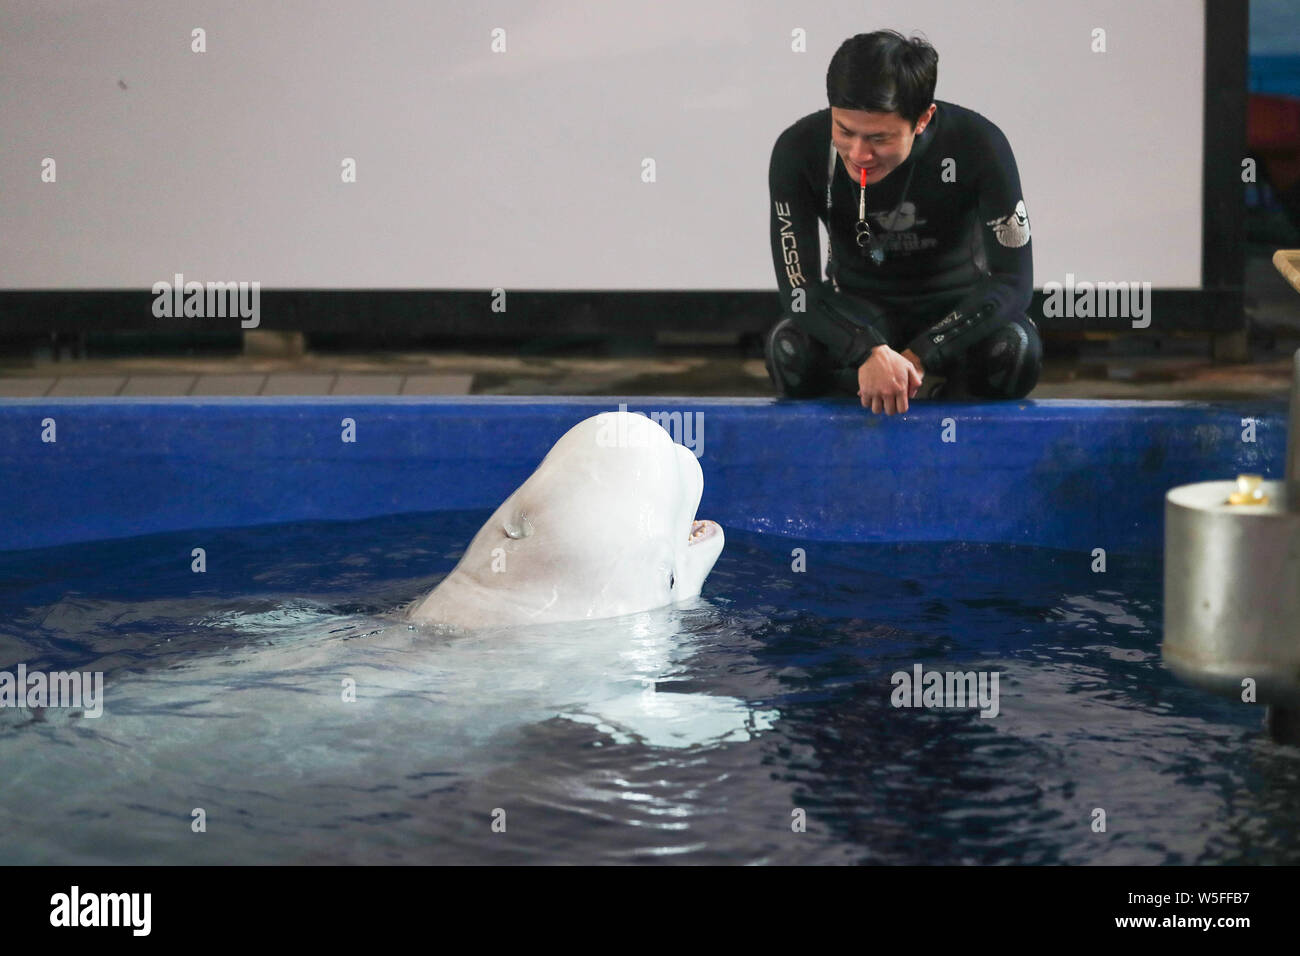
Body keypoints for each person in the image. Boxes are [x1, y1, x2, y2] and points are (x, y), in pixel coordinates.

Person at [765, 30, 1041, 414]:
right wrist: (867, 350)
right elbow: (799, 290)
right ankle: (847, 451)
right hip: (859, 306)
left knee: (1013, 351)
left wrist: (920, 355)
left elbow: (1013, 283)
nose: (859, 154)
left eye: (879, 138)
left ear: (923, 119)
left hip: (955, 307)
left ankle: (956, 443)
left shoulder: (979, 144)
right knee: (789, 350)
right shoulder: (798, 149)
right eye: (845, 131)